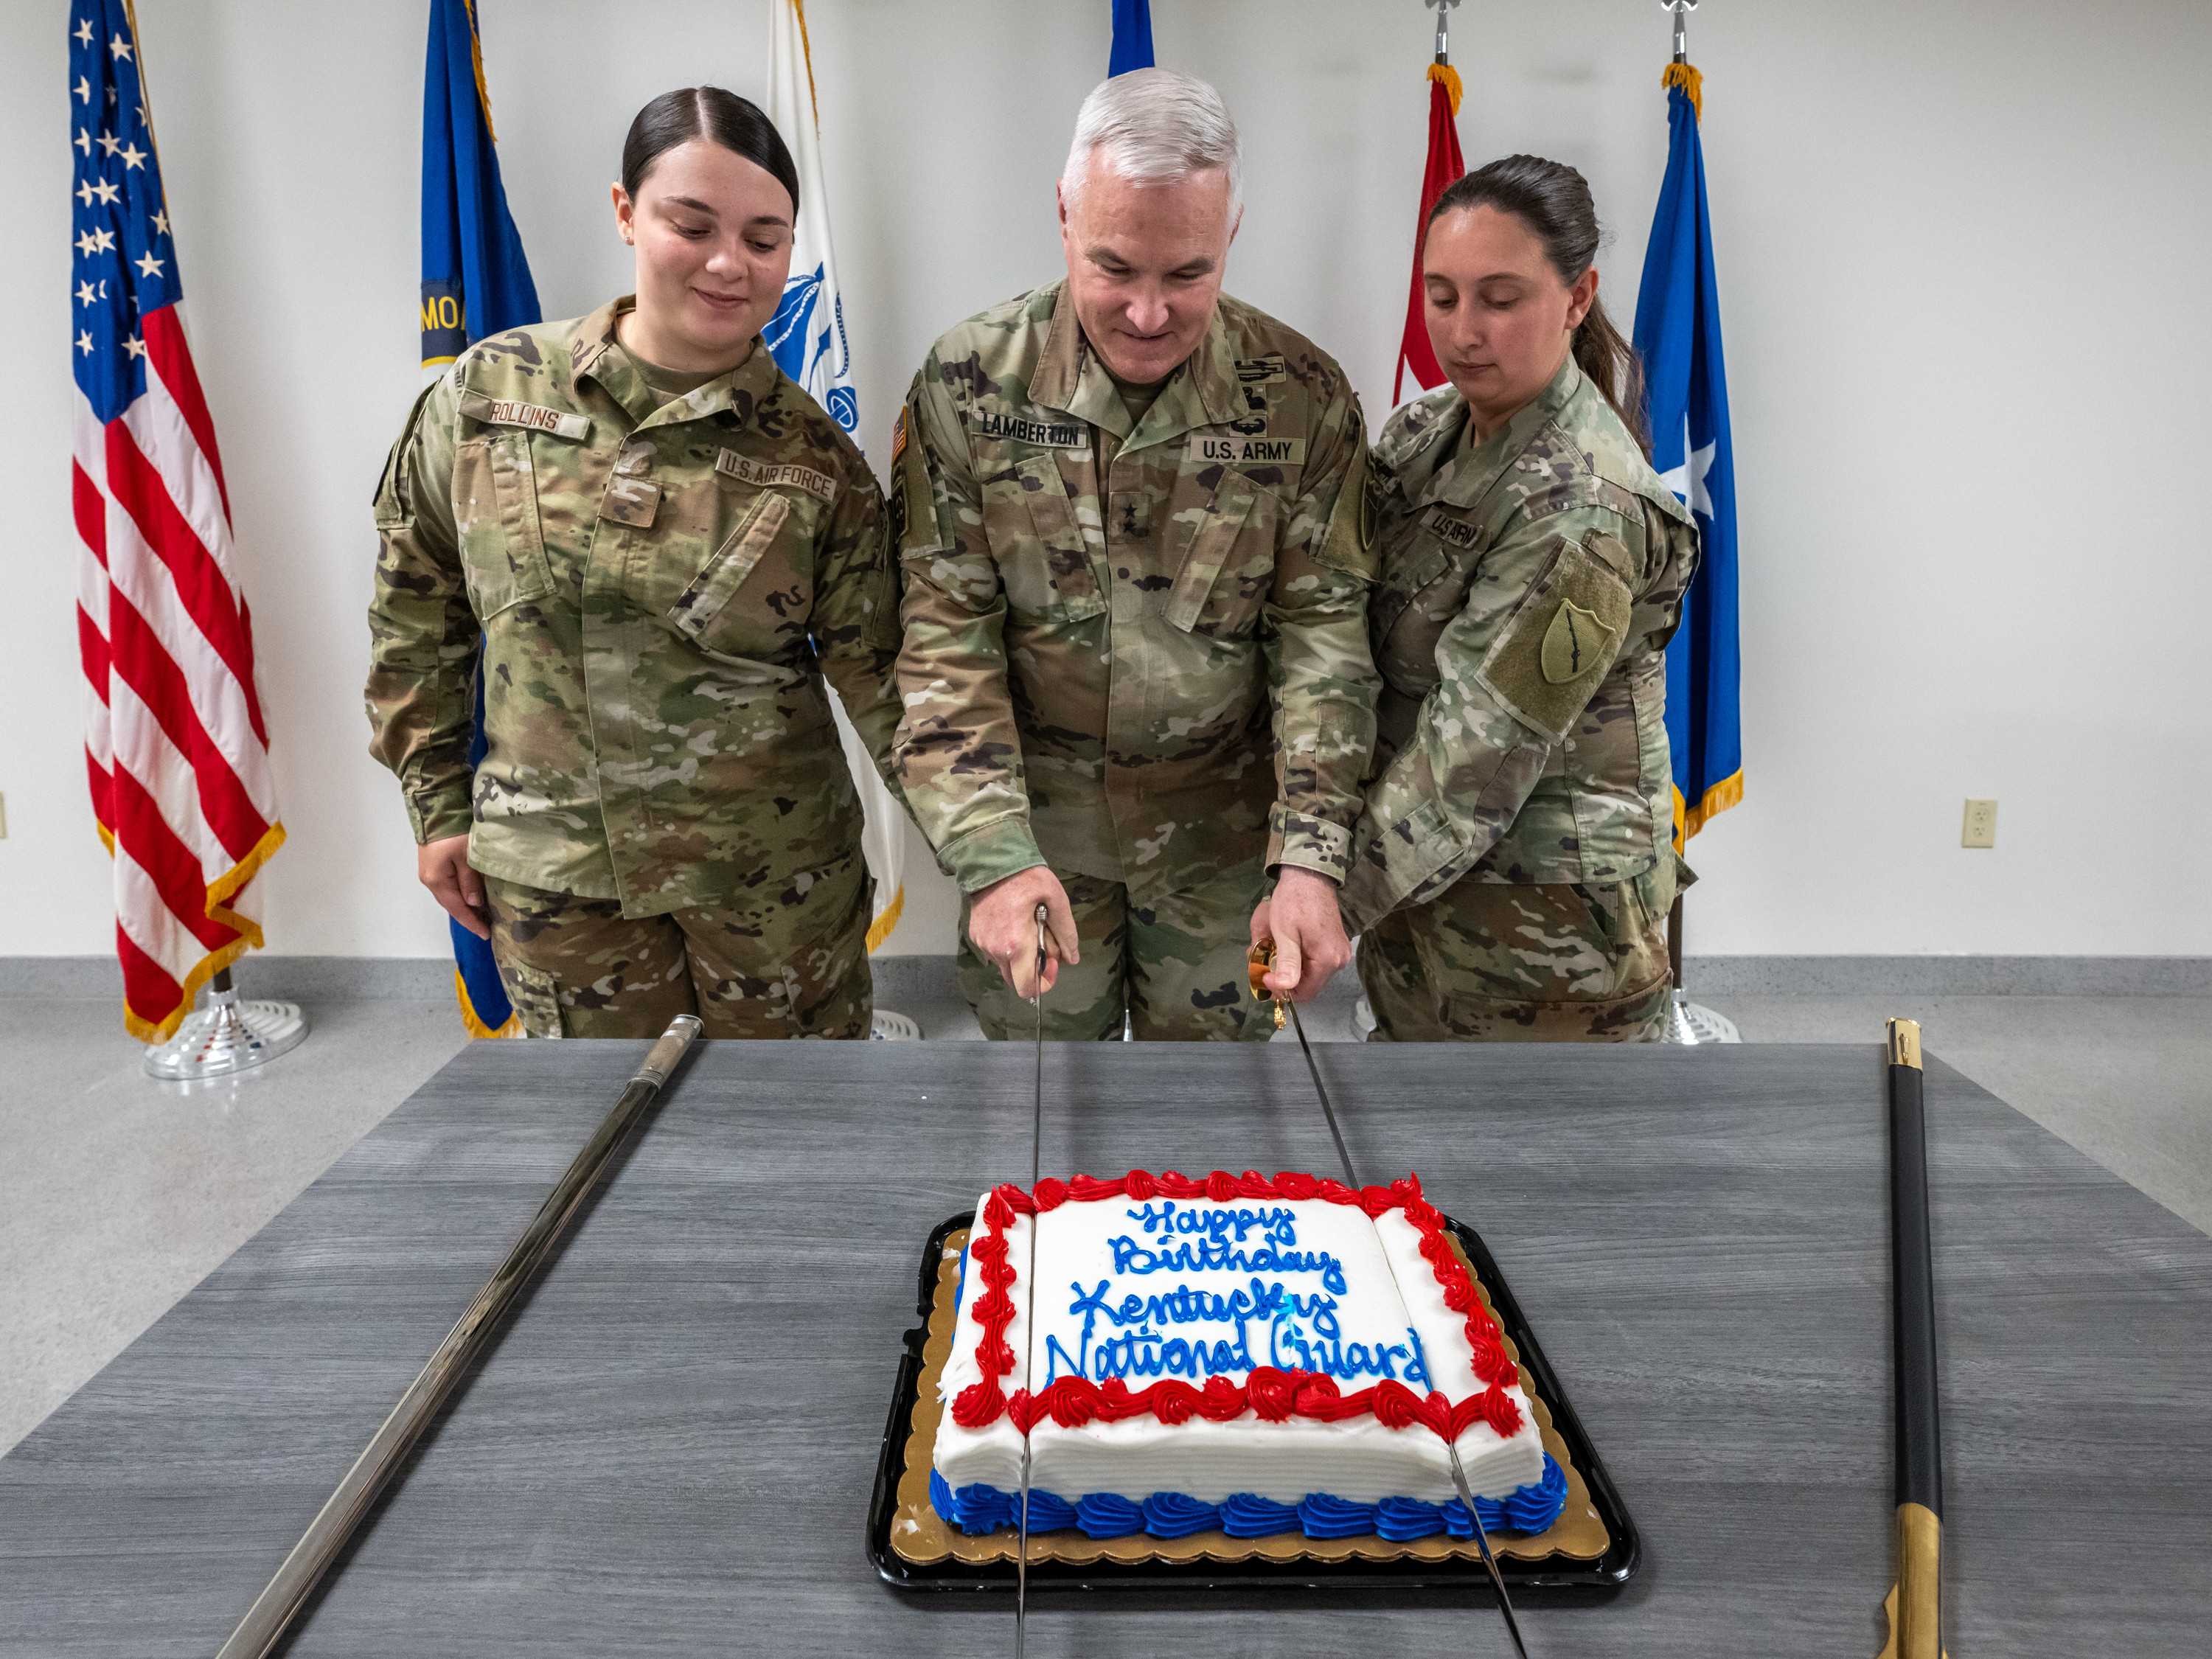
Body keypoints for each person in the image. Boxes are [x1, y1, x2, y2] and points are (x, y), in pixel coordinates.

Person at [367, 88, 901, 1039]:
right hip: (561, 892)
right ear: (625, 212)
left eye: (765, 238)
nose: (729, 263)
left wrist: (996, 853)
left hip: (774, 897)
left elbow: (889, 680)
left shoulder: (818, 461)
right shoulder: (489, 396)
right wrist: (437, 804)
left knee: (794, 1148)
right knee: (602, 1157)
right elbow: (418, 615)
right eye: (690, 225)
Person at [890, 69, 1381, 1040]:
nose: (1149, 313)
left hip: (1225, 844)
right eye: (1115, 268)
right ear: (1064, 215)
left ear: (1231, 233)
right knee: (1037, 1120)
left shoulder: (1300, 396)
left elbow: (1324, 646)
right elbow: (944, 642)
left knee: (1213, 1133)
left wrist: (1312, 856)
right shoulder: (970, 384)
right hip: (1037, 833)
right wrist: (991, 853)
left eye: (1187, 274)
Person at [1324, 155, 1700, 1041]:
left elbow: (1475, 763)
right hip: (1424, 913)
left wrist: (1324, 900)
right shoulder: (1424, 434)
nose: (1463, 331)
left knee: (1547, 1175)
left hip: (1549, 952)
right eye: (1442, 295)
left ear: (1577, 298)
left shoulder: (1586, 510)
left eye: (1501, 298)